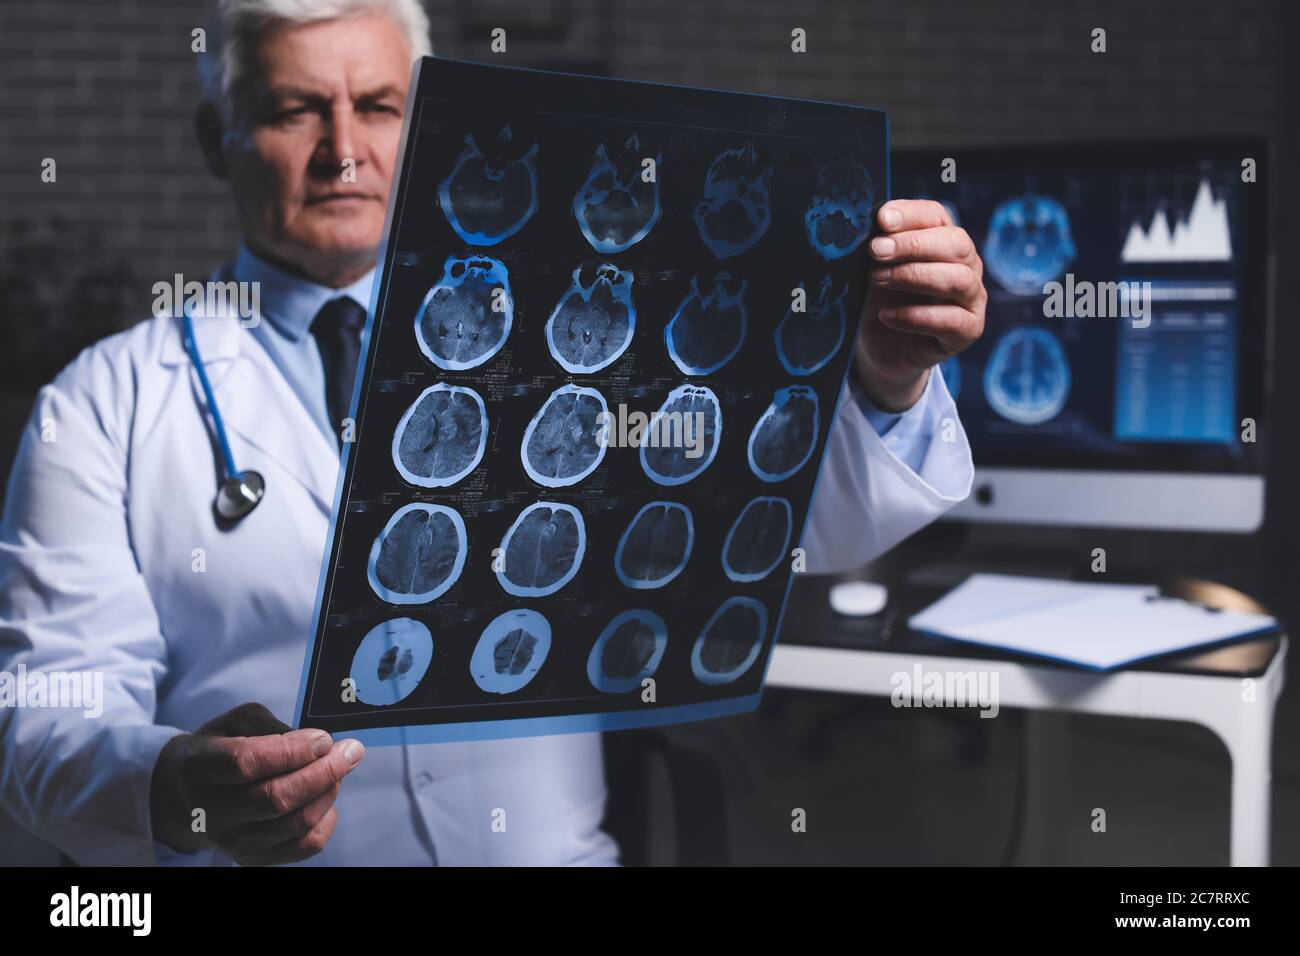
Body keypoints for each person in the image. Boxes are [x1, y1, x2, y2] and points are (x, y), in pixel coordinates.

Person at [0, 0, 985, 866]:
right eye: (295, 108)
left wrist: (890, 373)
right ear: (218, 137)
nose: (343, 148)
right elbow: (46, 714)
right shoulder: (104, 405)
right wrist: (172, 783)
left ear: (425, 125)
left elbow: (793, 528)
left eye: (379, 106)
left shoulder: (586, 339)